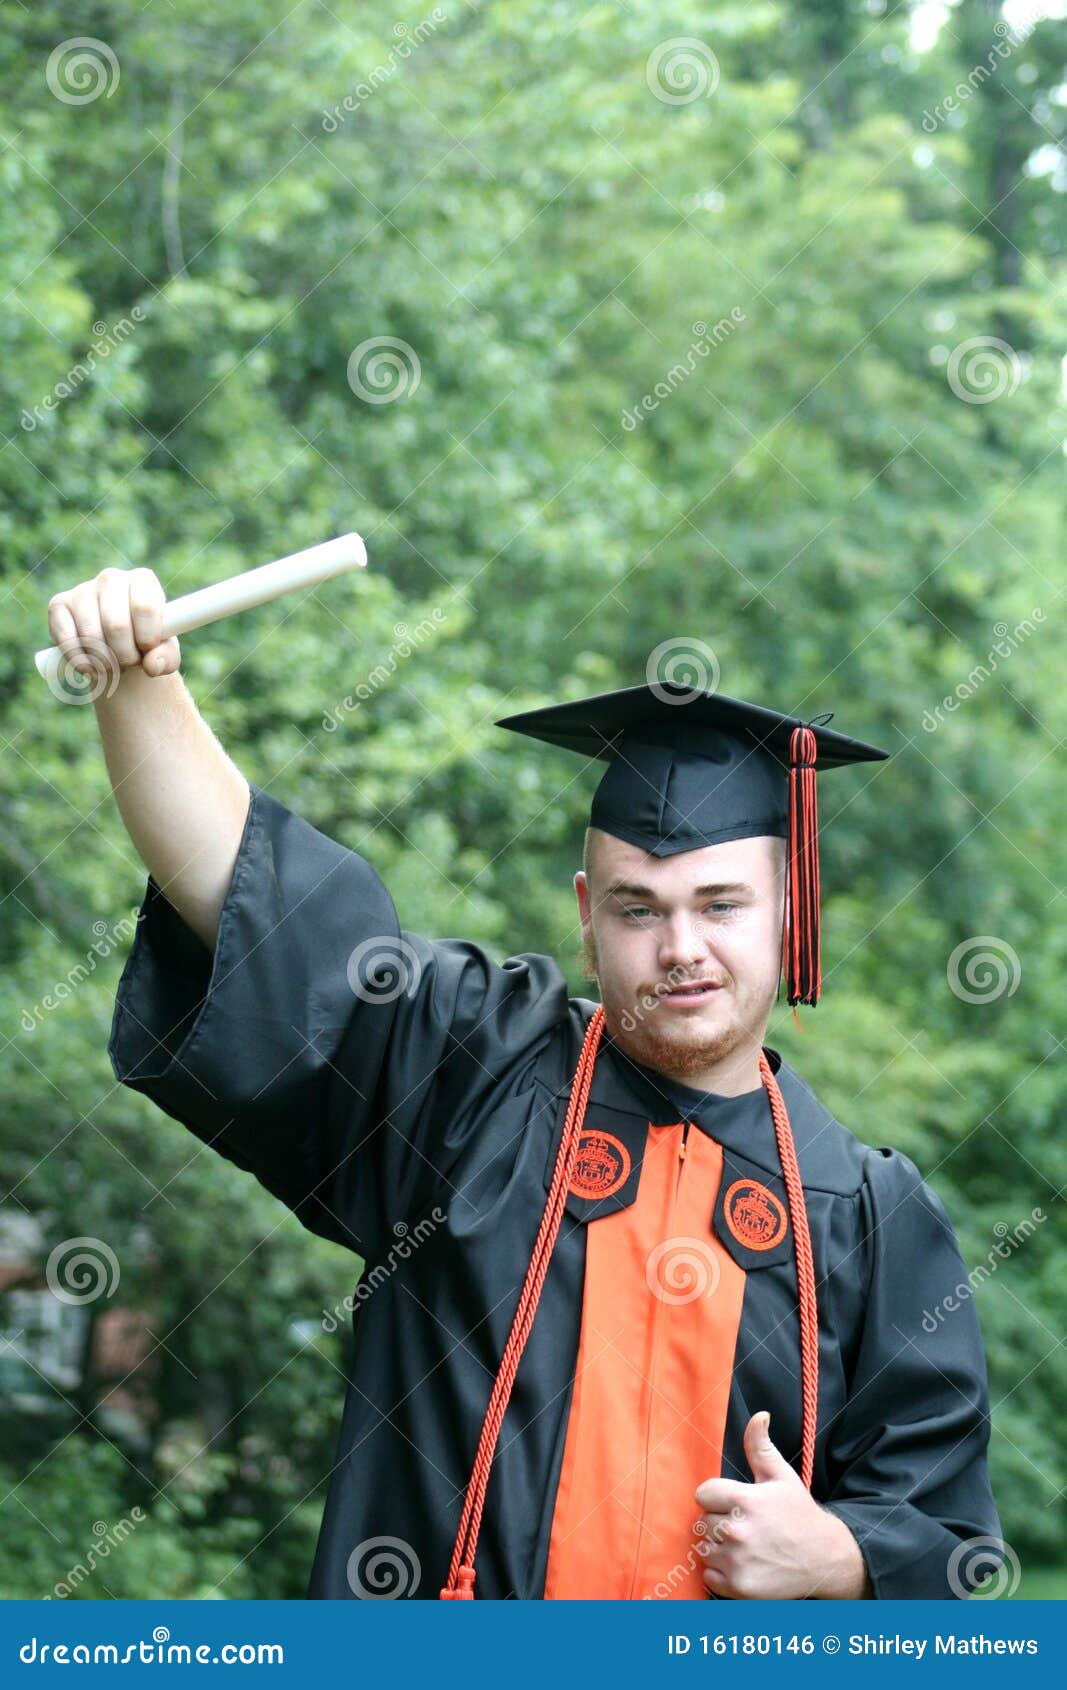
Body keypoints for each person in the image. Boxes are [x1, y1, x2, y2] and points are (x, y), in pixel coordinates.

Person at [48, 566, 1002, 1601]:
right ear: (588, 916)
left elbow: (952, 1545)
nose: (679, 946)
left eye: (718, 903)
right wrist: (139, 683)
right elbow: (264, 911)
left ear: (788, 908)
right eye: (638, 908)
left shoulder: (865, 1216)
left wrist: (843, 1556)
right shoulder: (469, 1076)